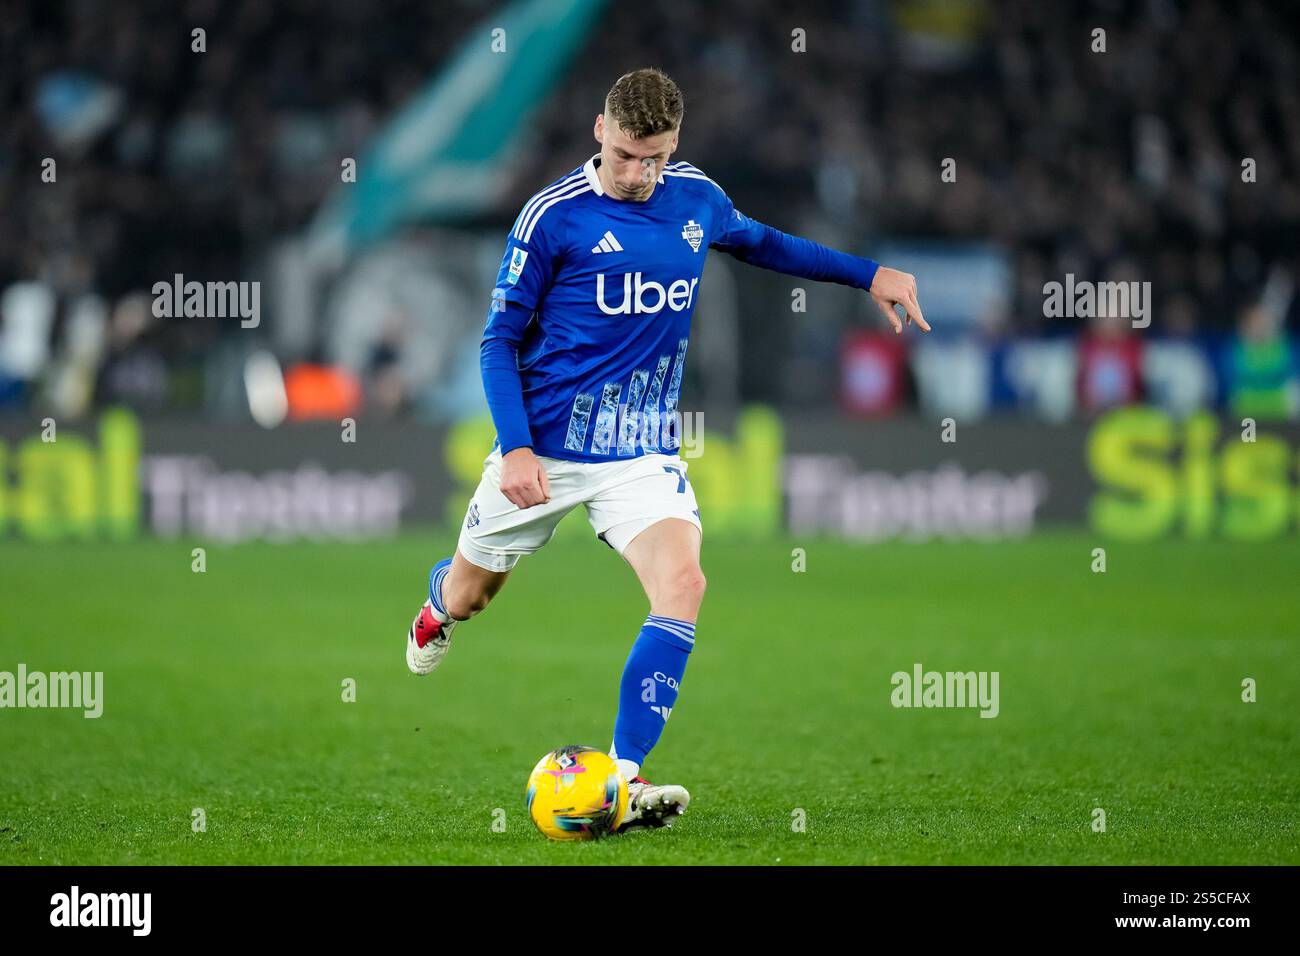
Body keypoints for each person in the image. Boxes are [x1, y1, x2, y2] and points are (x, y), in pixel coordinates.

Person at [405, 68, 928, 831]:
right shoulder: (551, 217)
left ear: (675, 145)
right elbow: (498, 341)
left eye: (654, 158)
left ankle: (621, 779)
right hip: (546, 449)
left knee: (683, 584)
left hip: (641, 451)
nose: (639, 174)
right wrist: (516, 449)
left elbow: (767, 245)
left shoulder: (696, 199)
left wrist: (869, 273)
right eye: (624, 156)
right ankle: (435, 606)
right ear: (599, 132)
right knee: (470, 597)